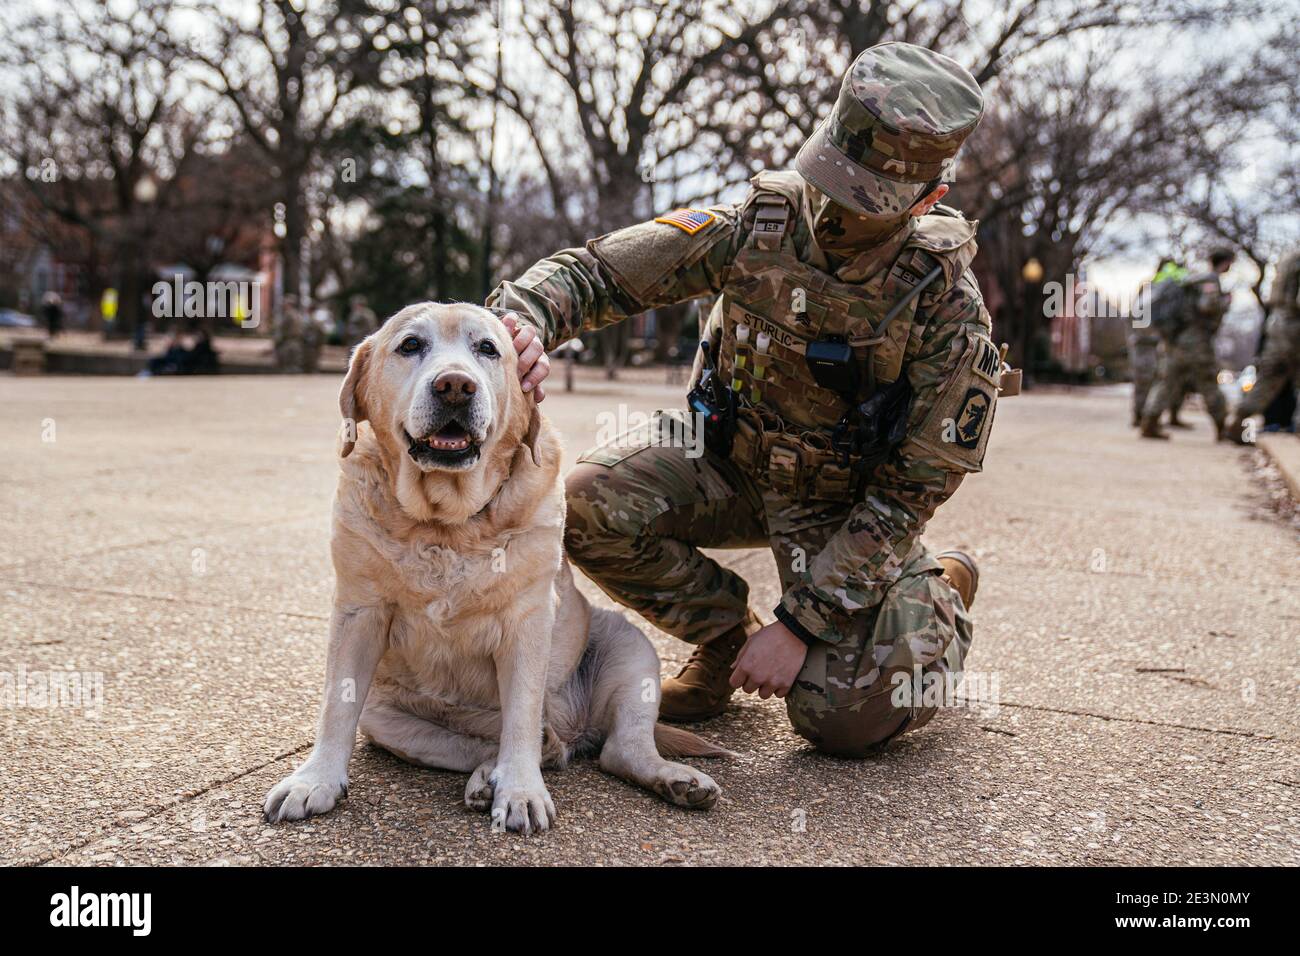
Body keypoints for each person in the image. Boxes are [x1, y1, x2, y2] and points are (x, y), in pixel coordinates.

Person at [489, 42, 1006, 756]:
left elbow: (909, 493)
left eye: (865, 201)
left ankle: (941, 589)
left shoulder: (945, 307)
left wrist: (801, 625)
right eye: (831, 180)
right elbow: (599, 276)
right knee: (586, 504)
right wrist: (522, 324)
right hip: (724, 462)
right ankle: (723, 641)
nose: (831, 213)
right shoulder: (757, 227)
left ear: (928, 200)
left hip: (842, 509)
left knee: (841, 718)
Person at [1139, 248, 1234, 440]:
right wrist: (1225, 302)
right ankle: (1223, 428)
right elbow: (1207, 306)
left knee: (1166, 382)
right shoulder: (1209, 280)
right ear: (1225, 262)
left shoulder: (1190, 279)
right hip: (1196, 341)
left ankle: (1149, 422)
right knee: (1208, 383)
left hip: (1175, 341)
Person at [1228, 247, 1300, 441]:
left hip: (1277, 324)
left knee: (1268, 379)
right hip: (1295, 326)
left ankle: (1239, 423)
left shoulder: (1288, 257)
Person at [1129, 258, 1182, 428]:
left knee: (1157, 380)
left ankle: (1148, 416)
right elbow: (1137, 314)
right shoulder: (1153, 288)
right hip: (1145, 341)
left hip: (1156, 340)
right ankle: (1141, 416)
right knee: (1145, 378)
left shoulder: (1161, 288)